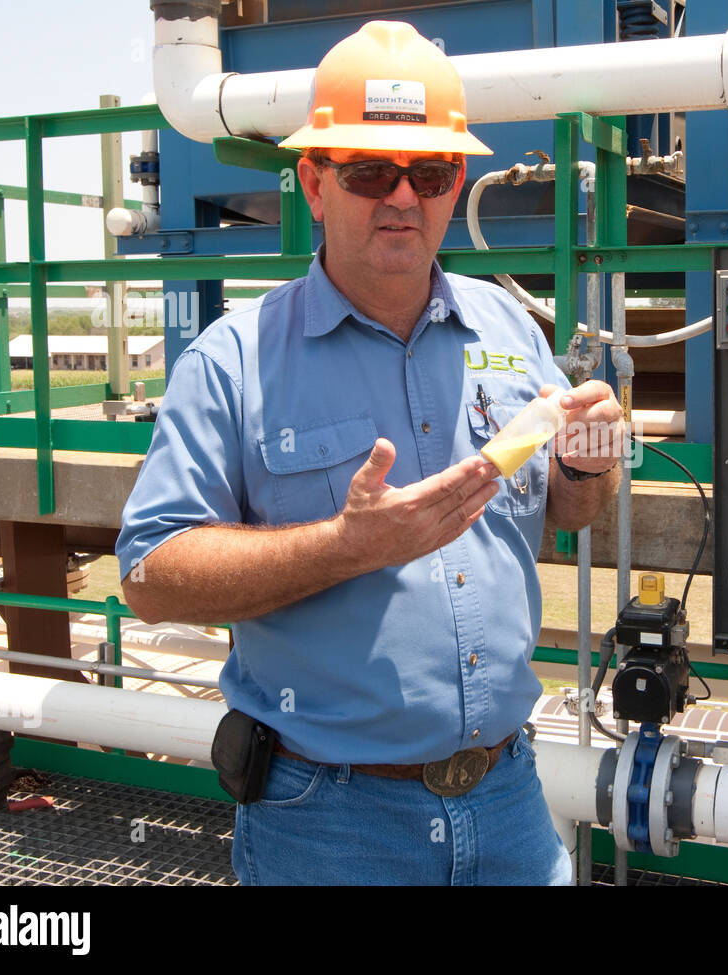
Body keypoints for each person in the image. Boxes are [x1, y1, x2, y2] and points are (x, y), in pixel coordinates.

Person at [115, 20, 624, 885]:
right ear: (314, 183)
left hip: (510, 805)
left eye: (426, 174)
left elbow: (560, 521)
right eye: (368, 173)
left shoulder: (509, 328)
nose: (401, 197)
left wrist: (586, 467)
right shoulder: (234, 362)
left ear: (454, 180)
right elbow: (150, 574)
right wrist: (346, 547)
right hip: (329, 824)